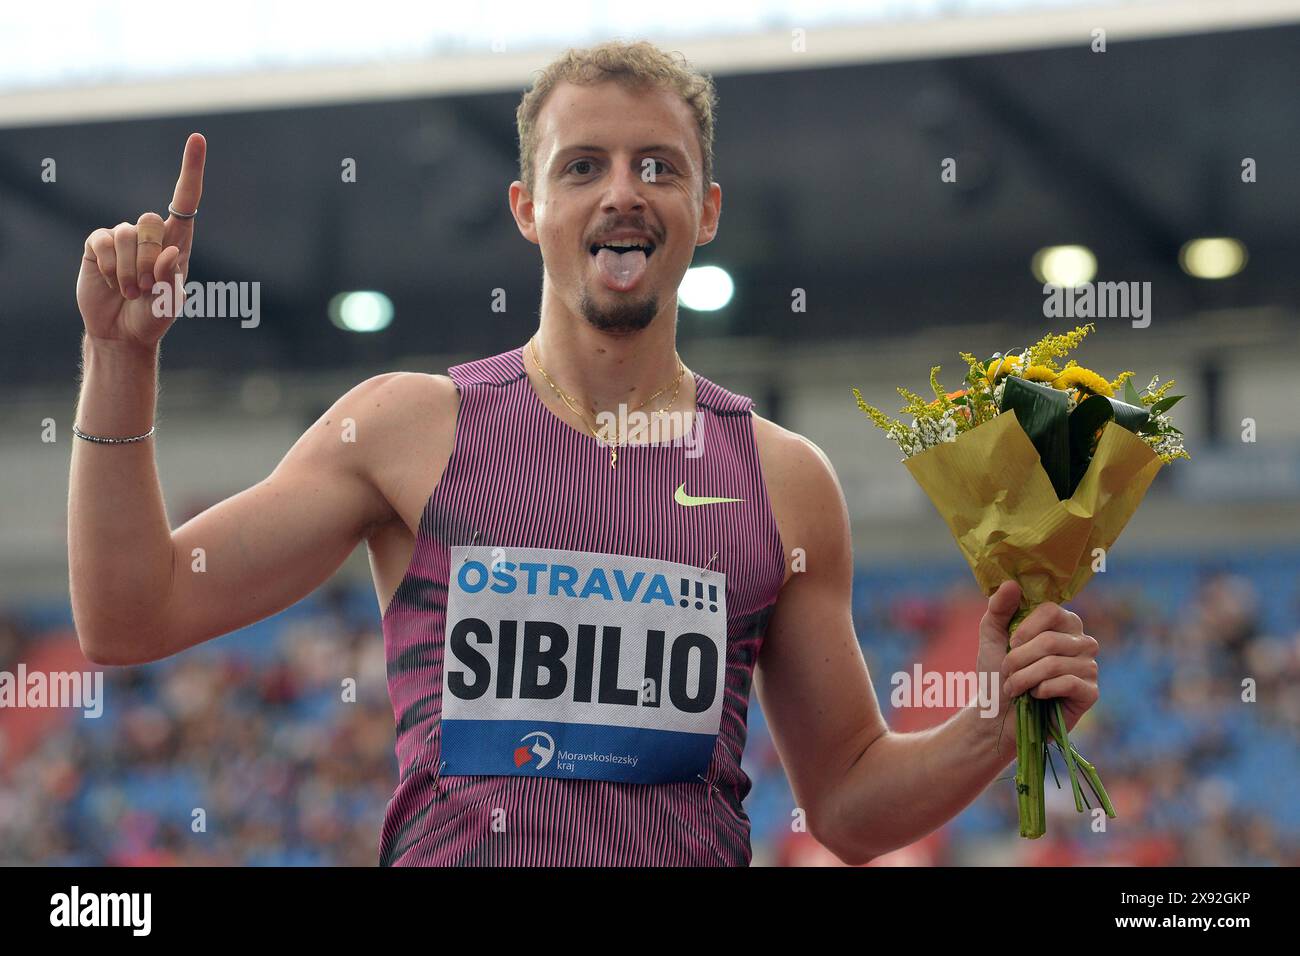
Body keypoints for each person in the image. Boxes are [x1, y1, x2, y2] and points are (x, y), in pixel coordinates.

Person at [68, 40, 1100, 866]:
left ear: (706, 210)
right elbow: (131, 611)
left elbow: (847, 805)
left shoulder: (784, 481)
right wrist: (119, 359)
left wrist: (987, 721)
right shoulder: (400, 430)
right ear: (528, 209)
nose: (623, 192)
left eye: (659, 166)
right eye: (582, 166)